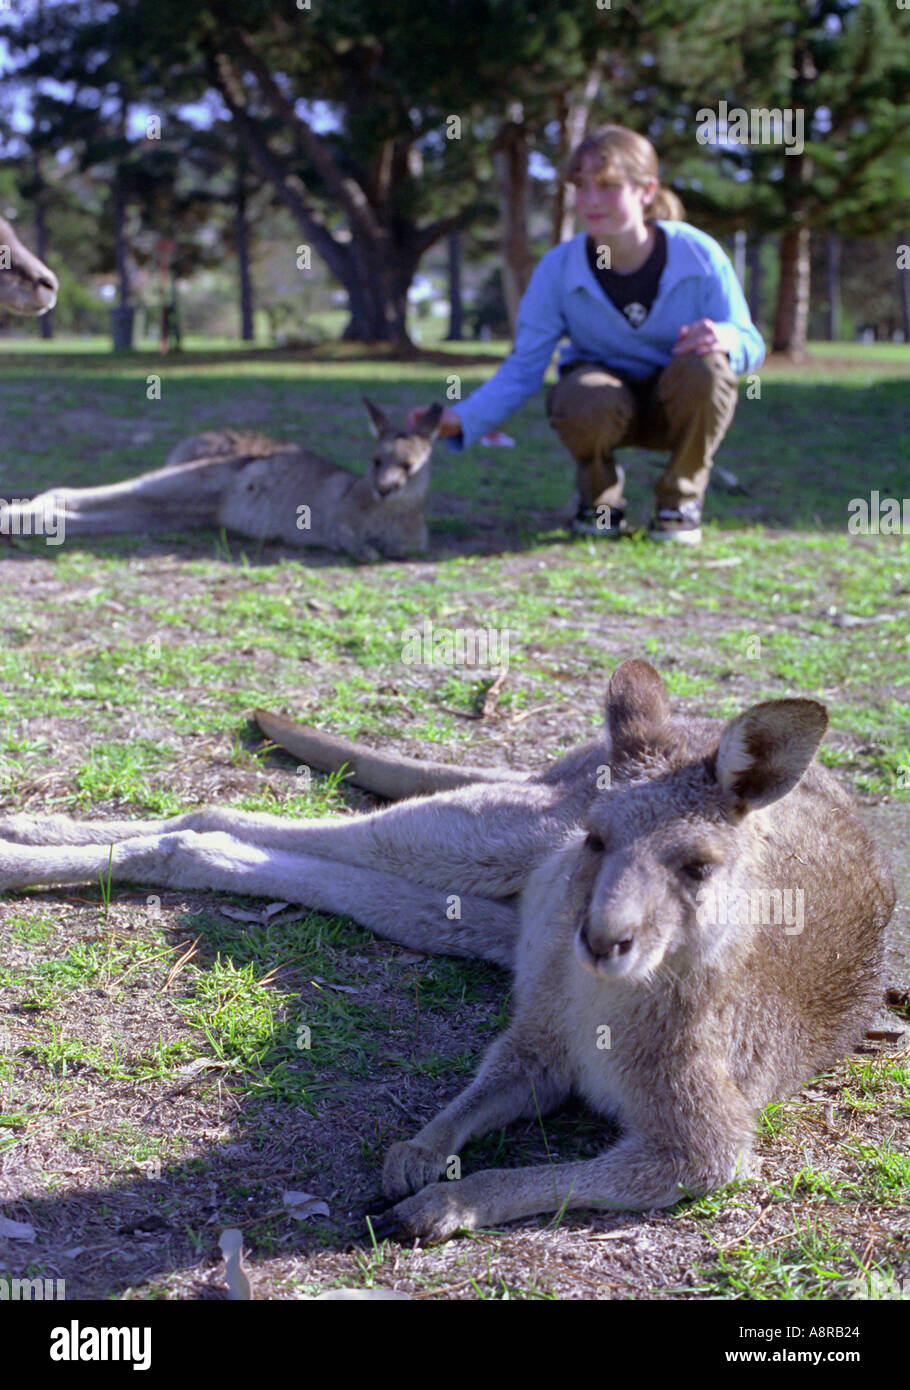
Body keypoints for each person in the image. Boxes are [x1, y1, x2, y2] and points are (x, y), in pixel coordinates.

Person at [406, 125, 765, 545]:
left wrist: (726, 337)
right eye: (581, 186)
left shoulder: (699, 254)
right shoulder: (558, 269)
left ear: (646, 190)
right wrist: (463, 418)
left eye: (608, 186)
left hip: (679, 403)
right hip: (604, 408)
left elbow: (750, 343)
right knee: (583, 393)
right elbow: (524, 367)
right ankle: (599, 500)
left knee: (707, 368)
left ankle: (679, 503)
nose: (591, 200)